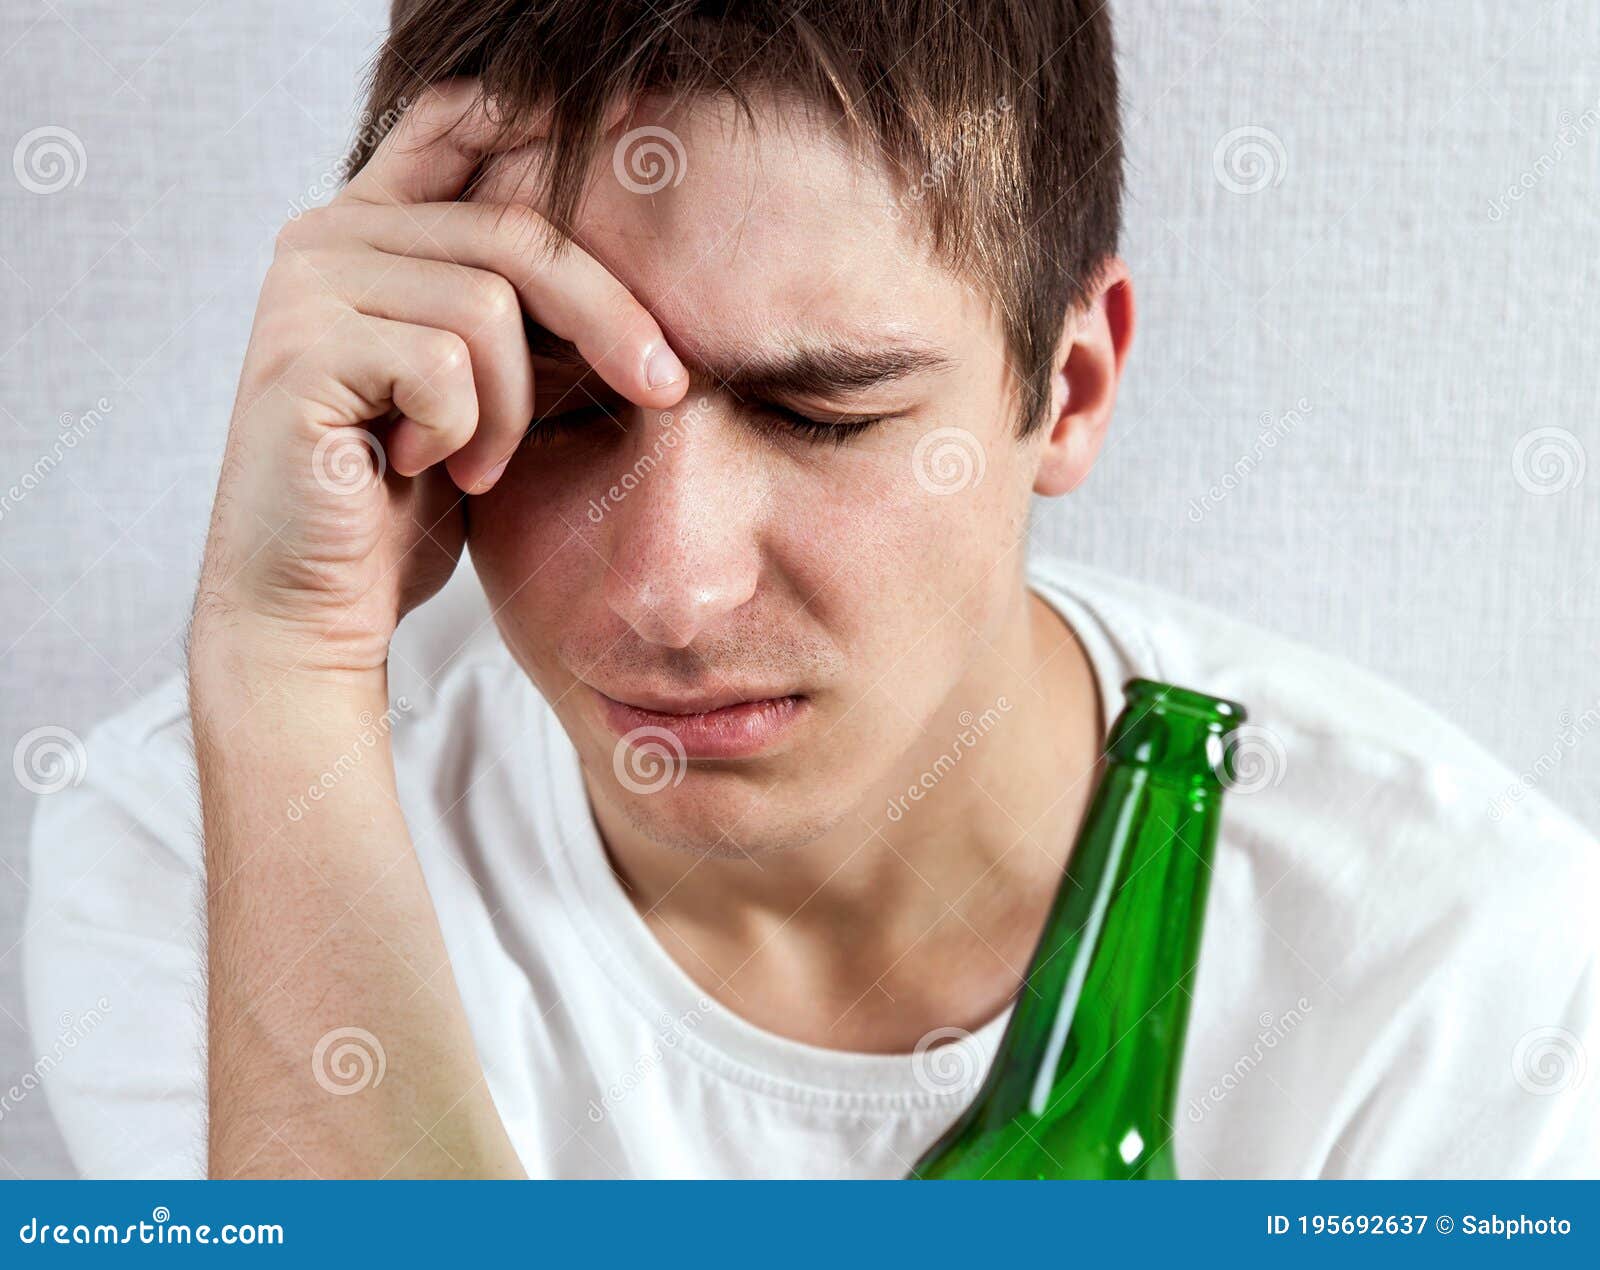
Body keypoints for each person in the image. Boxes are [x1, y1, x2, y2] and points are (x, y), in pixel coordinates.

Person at [26, 0, 1599, 1179]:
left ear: (1068, 386)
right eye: (566, 409)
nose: (676, 589)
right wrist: (286, 669)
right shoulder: (200, 844)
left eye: (819, 414)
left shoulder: (1465, 973)